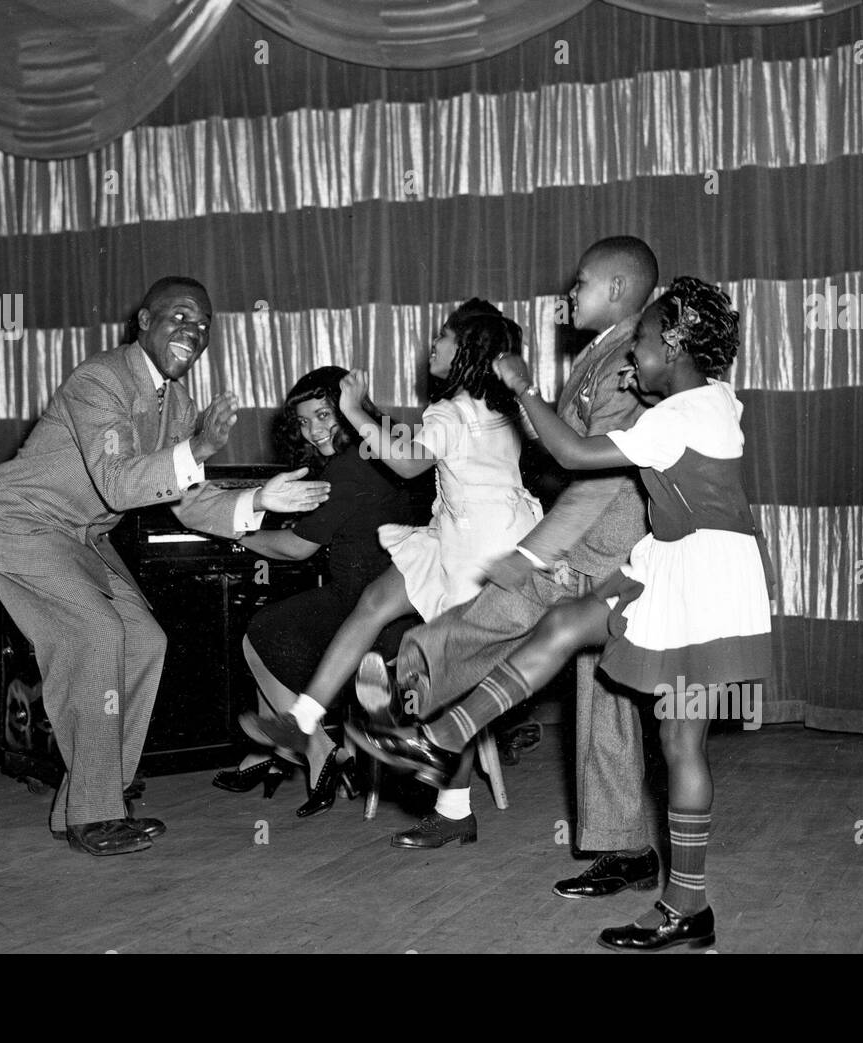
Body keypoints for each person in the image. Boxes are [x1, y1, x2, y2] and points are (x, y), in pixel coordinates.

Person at [352, 277, 772, 951]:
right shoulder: (713, 398)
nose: (632, 358)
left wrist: (523, 389)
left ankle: (687, 906)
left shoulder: (676, 419)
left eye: (641, 344)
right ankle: (444, 735)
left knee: (679, 743)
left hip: (700, 585)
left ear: (673, 344)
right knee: (563, 626)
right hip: (681, 564)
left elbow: (574, 455)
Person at [0, 277, 330, 857]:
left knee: (145, 641)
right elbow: (117, 482)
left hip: (80, 535)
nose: (193, 331)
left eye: (203, 324)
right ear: (144, 321)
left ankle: (82, 805)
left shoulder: (177, 405)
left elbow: (188, 501)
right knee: (98, 635)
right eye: (180, 316)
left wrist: (260, 499)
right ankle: (96, 815)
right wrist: (198, 449)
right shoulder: (100, 379)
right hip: (19, 520)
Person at [360, 236, 664, 862]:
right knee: (530, 646)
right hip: (579, 544)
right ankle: (413, 706)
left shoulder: (630, 364)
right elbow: (563, 448)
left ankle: (411, 708)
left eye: (581, 281)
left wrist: (530, 553)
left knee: (599, 699)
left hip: (605, 551)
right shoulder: (601, 355)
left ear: (616, 289)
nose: (570, 292)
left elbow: (597, 475)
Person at [240, 300, 543, 842]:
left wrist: (355, 411)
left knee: (452, 681)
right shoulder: (496, 408)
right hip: (473, 533)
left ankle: (453, 809)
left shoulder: (453, 412)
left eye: (444, 337)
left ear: (467, 353)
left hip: (476, 550)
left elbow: (406, 462)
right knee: (377, 601)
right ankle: (304, 718)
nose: (433, 344)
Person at [211, 366, 418, 817]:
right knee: (275, 625)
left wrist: (234, 532)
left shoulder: (348, 466)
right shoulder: (379, 449)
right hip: (395, 600)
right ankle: (285, 751)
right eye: (304, 421)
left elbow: (296, 548)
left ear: (350, 409)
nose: (314, 430)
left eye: (324, 415)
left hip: (372, 613)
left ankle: (316, 751)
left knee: (261, 632)